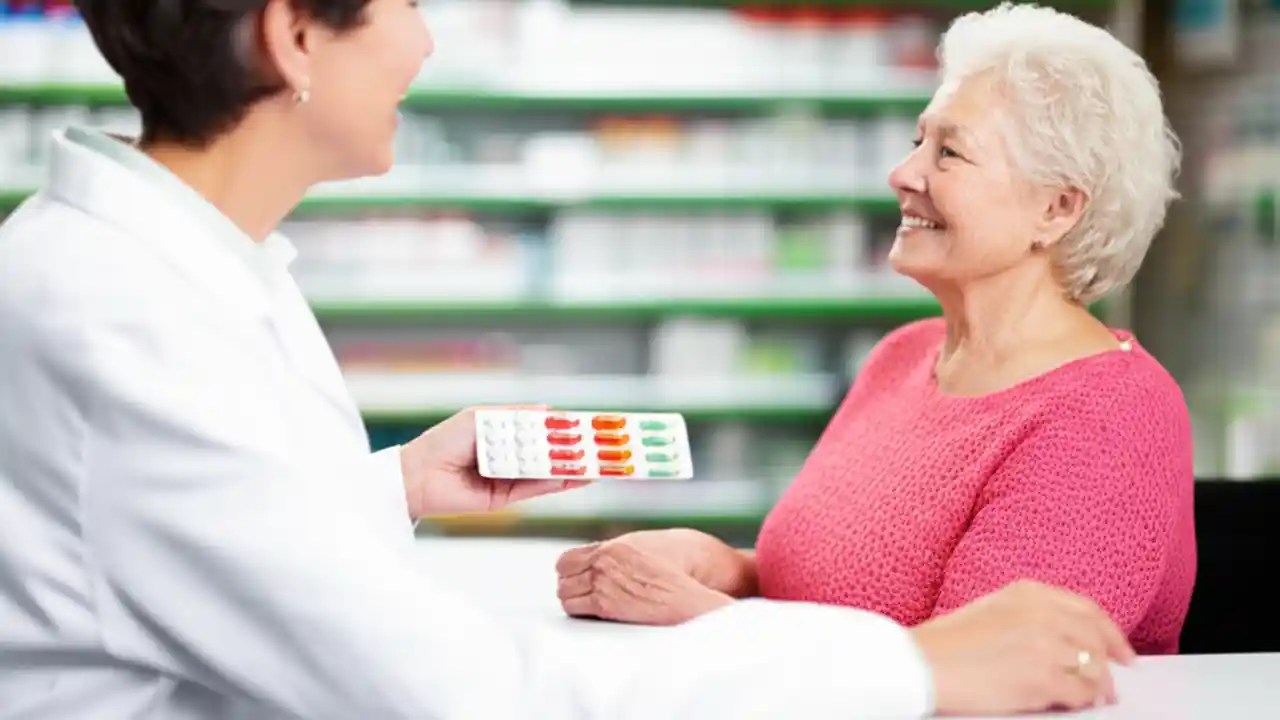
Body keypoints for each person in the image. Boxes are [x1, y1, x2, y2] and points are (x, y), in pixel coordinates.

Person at [0, 1, 1133, 717]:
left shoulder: (191, 273)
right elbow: (463, 693)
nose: (429, 37)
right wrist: (912, 673)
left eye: (949, 148)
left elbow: (184, 540)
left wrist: (391, 487)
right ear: (294, 37)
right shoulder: (123, 312)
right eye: (401, 3)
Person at [556, 1, 1196, 657]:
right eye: (919, 140)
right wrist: (728, 567)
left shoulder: (1110, 417)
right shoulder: (905, 355)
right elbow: (843, 590)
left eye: (949, 152)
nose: (903, 173)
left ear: (1056, 209)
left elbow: (991, 674)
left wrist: (710, 618)